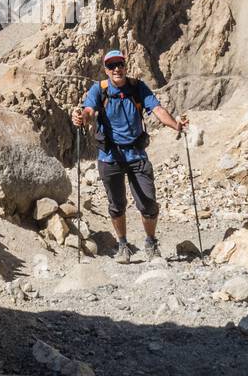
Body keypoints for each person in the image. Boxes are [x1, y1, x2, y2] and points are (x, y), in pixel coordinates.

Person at [70, 50, 187, 263]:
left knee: (149, 204)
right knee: (117, 205)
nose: (116, 69)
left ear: (125, 65)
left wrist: (176, 126)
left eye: (120, 64)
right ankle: (123, 245)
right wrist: (81, 118)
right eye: (111, 66)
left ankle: (151, 242)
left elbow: (158, 110)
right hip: (109, 156)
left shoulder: (137, 88)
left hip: (136, 154)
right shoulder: (99, 90)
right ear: (106, 69)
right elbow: (88, 110)